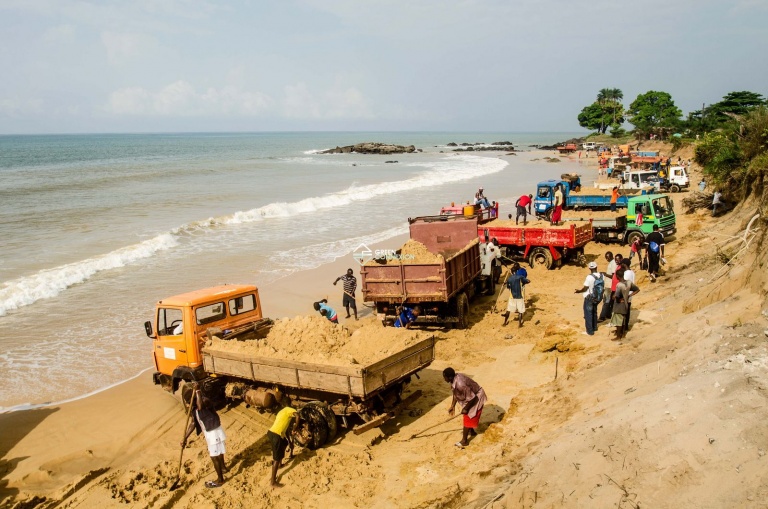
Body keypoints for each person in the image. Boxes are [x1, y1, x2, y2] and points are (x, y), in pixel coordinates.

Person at [182, 387, 227, 489]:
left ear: (194, 398)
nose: (188, 404)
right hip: (210, 433)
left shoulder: (205, 401)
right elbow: (193, 423)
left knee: (214, 456)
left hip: (214, 432)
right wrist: (185, 437)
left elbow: (200, 406)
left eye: (189, 402)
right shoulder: (194, 408)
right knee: (218, 452)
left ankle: (220, 480)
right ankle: (223, 468)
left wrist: (197, 391)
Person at [443, 367, 487, 449]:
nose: (443, 379)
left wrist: (466, 408)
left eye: (444, 377)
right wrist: (453, 406)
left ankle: (464, 441)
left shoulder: (460, 384)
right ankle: (472, 431)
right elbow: (455, 394)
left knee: (467, 418)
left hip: (476, 396)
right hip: (470, 396)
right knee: (468, 415)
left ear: (449, 377)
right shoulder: (454, 380)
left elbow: (472, 398)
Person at [267, 401, 301, 488]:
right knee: (276, 458)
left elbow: (285, 430)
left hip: (273, 433)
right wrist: (296, 427)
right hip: (276, 434)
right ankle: (273, 482)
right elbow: (298, 416)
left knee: (284, 443)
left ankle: (280, 464)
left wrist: (289, 442)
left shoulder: (282, 412)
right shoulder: (289, 409)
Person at [610, 268, 639, 341]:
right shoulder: (628, 282)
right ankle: (622, 335)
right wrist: (629, 295)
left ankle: (618, 337)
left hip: (619, 305)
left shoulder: (619, 285)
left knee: (618, 322)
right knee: (623, 320)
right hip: (626, 303)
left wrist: (614, 297)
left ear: (617, 276)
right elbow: (637, 289)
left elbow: (616, 296)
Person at [574, 261, 602, 335]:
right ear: (596, 267)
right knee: (594, 312)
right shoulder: (601, 275)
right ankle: (595, 327)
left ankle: (589, 331)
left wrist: (579, 291)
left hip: (589, 297)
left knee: (588, 314)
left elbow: (585, 288)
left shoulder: (589, 277)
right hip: (597, 296)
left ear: (589, 268)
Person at [598, 251, 616, 322]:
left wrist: (605, 274)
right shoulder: (611, 263)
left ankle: (602, 317)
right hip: (608, 284)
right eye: (606, 258)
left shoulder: (613, 264)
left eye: (608, 257)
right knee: (609, 300)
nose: (607, 259)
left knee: (606, 300)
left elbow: (613, 276)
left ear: (611, 256)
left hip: (609, 285)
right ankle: (608, 314)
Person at [620, 258, 636, 330]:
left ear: (624, 264)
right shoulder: (632, 272)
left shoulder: (626, 273)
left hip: (625, 295)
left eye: (622, 264)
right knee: (627, 311)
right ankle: (626, 326)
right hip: (630, 294)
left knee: (623, 312)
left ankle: (622, 328)